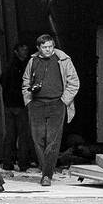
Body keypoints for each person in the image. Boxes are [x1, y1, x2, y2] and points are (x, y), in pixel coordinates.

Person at [22, 33, 79, 186]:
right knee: (37, 139)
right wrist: (28, 99)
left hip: (56, 104)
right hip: (36, 104)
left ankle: (47, 175)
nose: (48, 49)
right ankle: (45, 169)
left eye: (50, 46)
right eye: (44, 47)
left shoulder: (64, 60)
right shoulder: (33, 61)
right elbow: (26, 81)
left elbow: (74, 82)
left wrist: (64, 101)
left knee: (53, 140)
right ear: (38, 48)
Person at [0, 42, 33, 173]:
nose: (25, 52)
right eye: (23, 49)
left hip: (9, 104)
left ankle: (8, 162)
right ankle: (23, 163)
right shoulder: (22, 66)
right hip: (19, 104)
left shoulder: (9, 65)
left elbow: (1, 79)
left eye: (26, 49)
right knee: (23, 135)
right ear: (16, 51)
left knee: (10, 134)